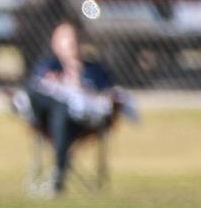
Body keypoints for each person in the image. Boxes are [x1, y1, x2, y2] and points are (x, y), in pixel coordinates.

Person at [13, 20, 123, 197]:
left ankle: (58, 174)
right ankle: (58, 174)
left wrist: (80, 84)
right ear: (55, 44)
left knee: (63, 108)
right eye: (66, 39)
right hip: (47, 120)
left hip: (83, 120)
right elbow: (38, 87)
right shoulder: (48, 66)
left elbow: (108, 95)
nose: (72, 44)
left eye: (75, 39)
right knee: (53, 103)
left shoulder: (95, 70)